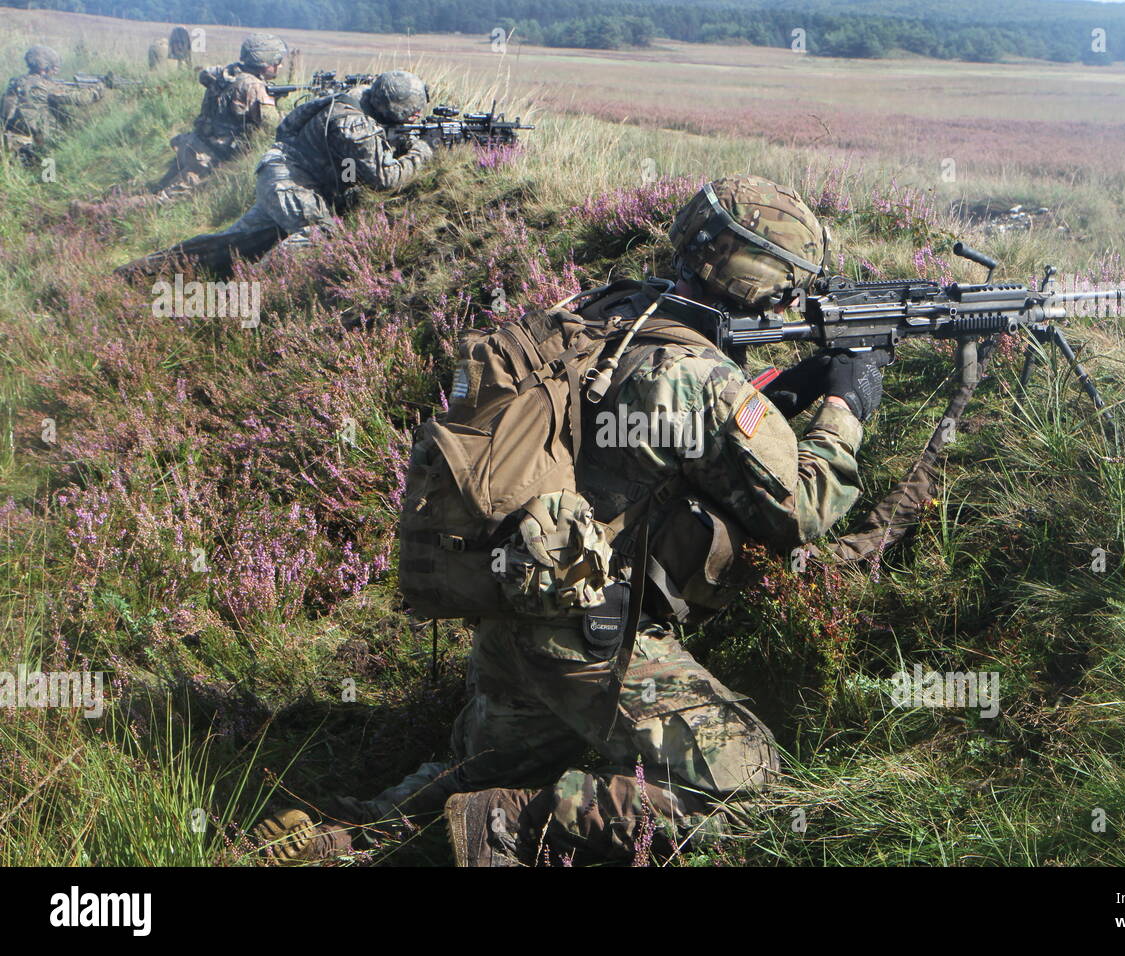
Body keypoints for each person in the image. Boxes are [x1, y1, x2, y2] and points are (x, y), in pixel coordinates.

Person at [254, 175, 885, 866]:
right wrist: (846, 402)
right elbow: (805, 505)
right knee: (750, 792)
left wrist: (781, 391)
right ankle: (492, 826)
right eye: (788, 284)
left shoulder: (603, 310)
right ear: (752, 276)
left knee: (493, 764)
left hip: (515, 616)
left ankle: (343, 840)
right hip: (593, 641)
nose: (792, 300)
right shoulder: (696, 374)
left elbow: (655, 440)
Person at [115, 70, 436, 277]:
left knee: (236, 243)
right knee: (324, 233)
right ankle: (256, 291)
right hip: (289, 185)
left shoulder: (363, 97)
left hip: (280, 177)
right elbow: (385, 179)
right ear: (392, 108)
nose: (415, 117)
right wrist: (422, 150)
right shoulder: (354, 124)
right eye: (410, 113)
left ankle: (138, 274)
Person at [151, 32, 285, 201]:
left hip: (193, 143)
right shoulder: (253, 86)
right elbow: (271, 126)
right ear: (264, 62)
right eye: (277, 61)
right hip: (207, 158)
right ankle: (117, 211)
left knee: (157, 188)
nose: (279, 65)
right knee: (162, 201)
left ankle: (125, 203)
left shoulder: (227, 73)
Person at [2, 45, 102, 166]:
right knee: (48, 178)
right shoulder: (44, 85)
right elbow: (80, 99)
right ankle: (48, 180)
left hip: (11, 142)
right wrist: (98, 89)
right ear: (44, 67)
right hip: (38, 145)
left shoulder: (15, 83)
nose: (56, 70)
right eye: (53, 66)